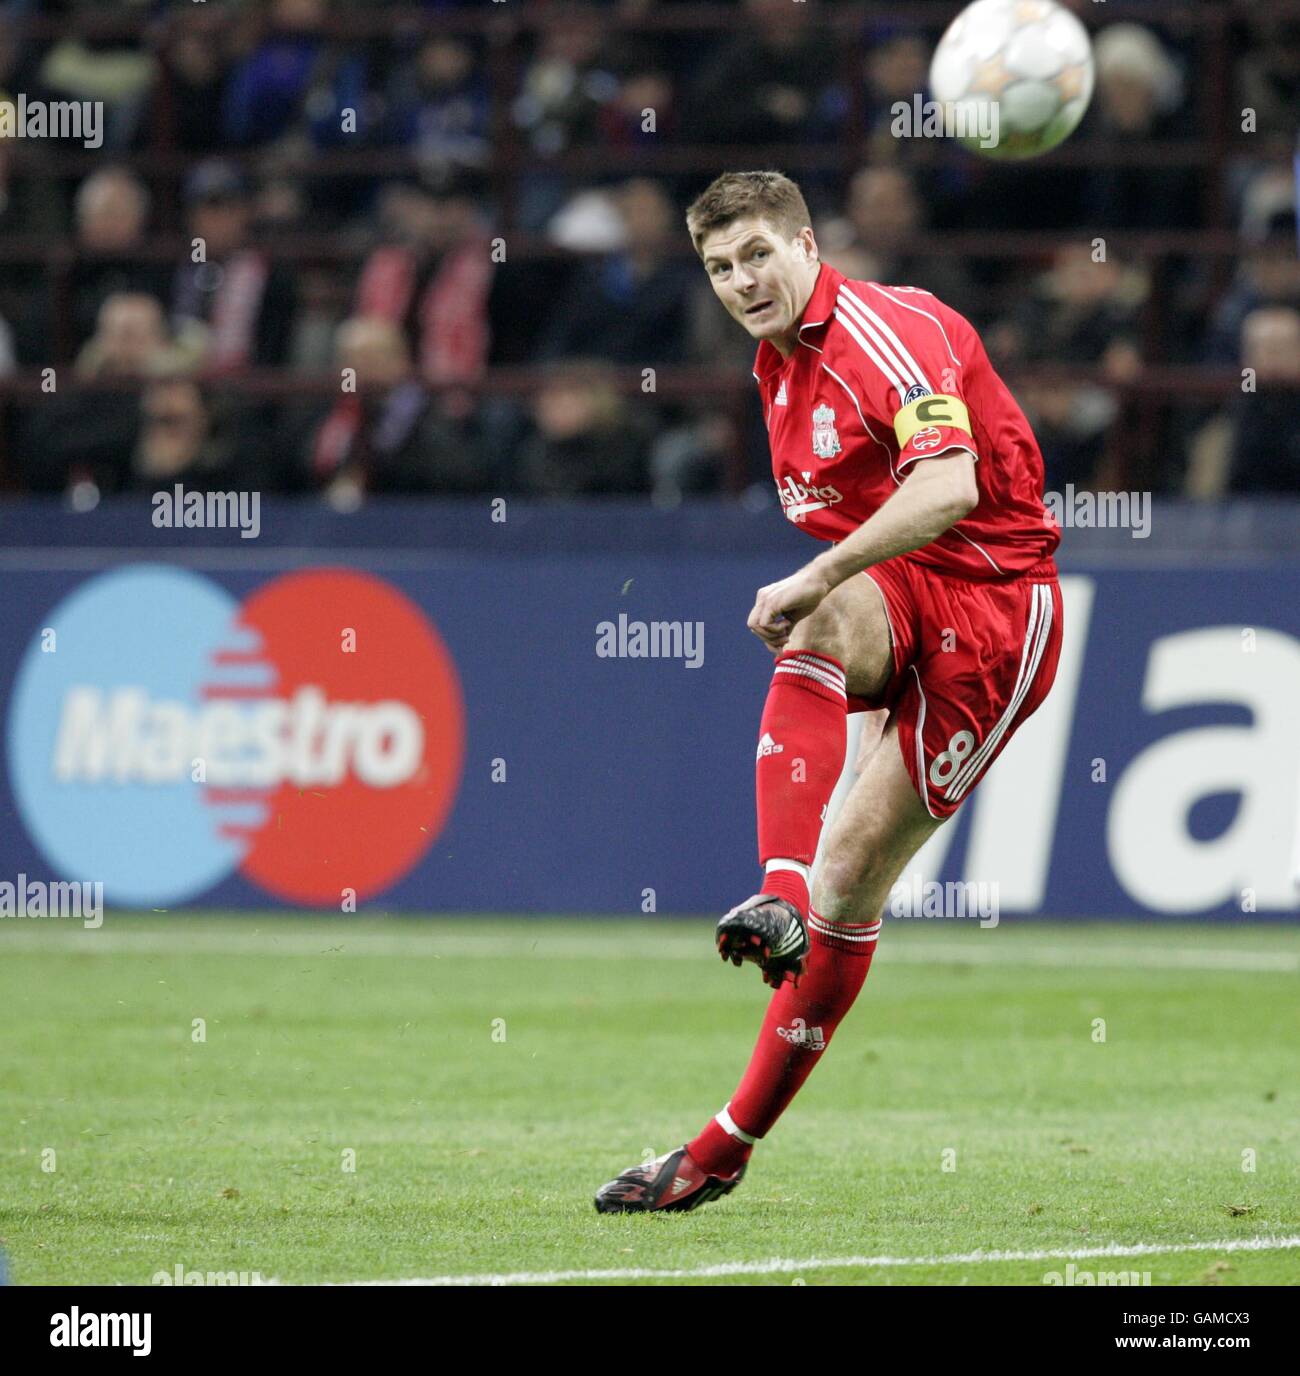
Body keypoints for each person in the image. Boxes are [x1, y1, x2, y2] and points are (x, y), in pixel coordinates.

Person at [594, 170, 1064, 1213]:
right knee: (809, 638)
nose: (740, 280)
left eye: (757, 253)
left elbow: (950, 486)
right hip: (902, 594)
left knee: (851, 877)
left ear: (807, 242)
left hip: (993, 610)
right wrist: (826, 586)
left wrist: (816, 571)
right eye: (719, 266)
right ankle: (777, 891)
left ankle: (722, 1143)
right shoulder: (777, 367)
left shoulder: (887, 330)